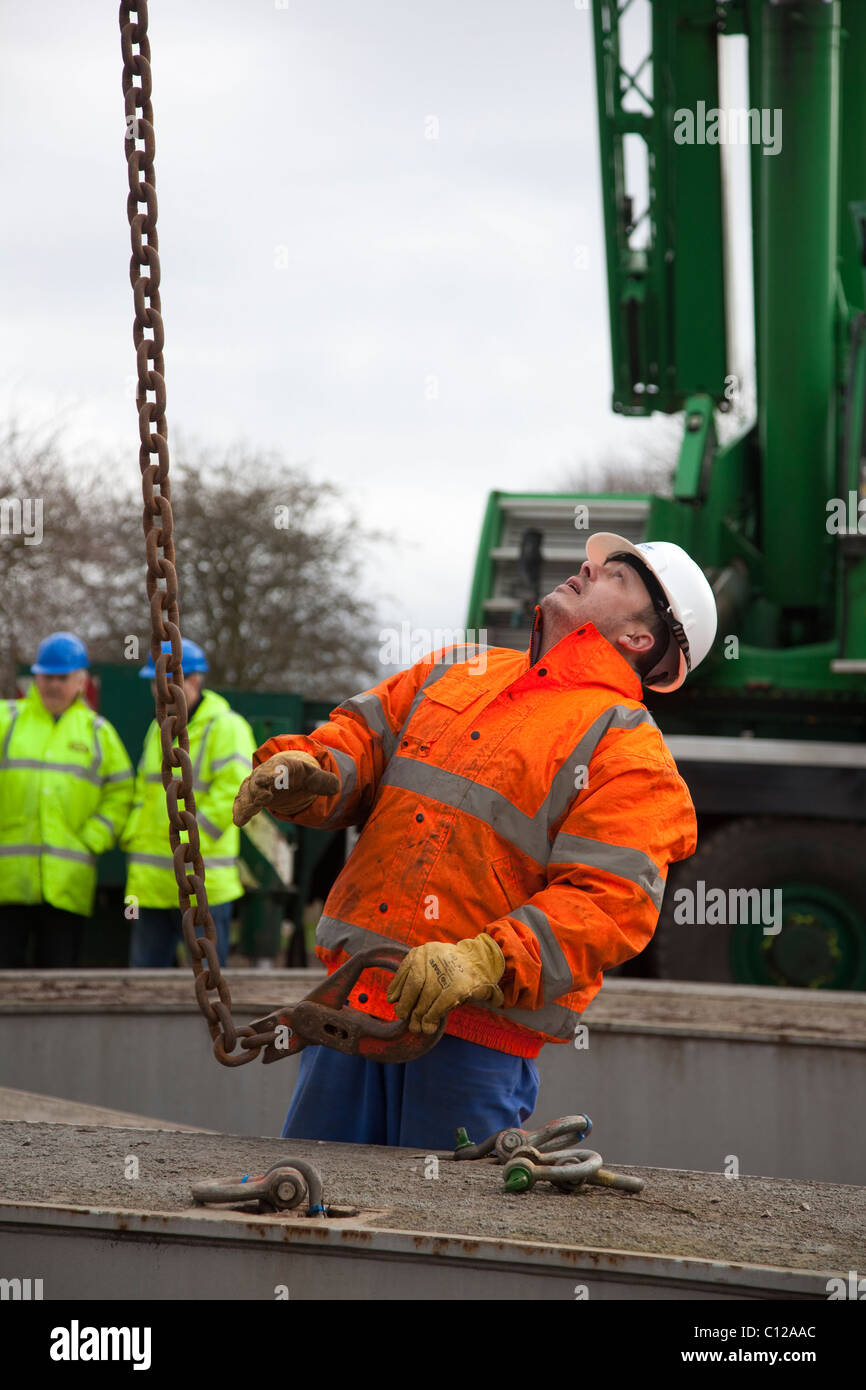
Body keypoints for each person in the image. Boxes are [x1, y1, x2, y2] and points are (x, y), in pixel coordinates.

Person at [233, 534, 718, 1149]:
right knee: (309, 1219)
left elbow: (606, 903)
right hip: (349, 1015)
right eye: (596, 563)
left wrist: (486, 960)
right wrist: (305, 769)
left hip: (471, 1046)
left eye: (615, 576)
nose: (586, 567)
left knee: (438, 1237)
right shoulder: (459, 669)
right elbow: (359, 741)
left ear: (639, 639)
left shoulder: (631, 756)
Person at [0, 632, 134, 967]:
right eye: (47, 676)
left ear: (81, 682)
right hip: (7, 883)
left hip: (67, 885)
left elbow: (121, 792)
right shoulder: (7, 720)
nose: (54, 685)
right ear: (35, 677)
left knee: (56, 984)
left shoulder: (97, 732)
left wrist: (93, 838)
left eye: (63, 678)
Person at [124, 639, 256, 967]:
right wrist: (133, 835)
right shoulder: (159, 729)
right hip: (150, 885)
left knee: (209, 986)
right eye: (155, 684)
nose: (159, 691)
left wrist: (192, 841)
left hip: (204, 885)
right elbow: (145, 792)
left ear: (193, 680)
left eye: (166, 682)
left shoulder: (225, 727)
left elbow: (235, 792)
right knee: (145, 989)